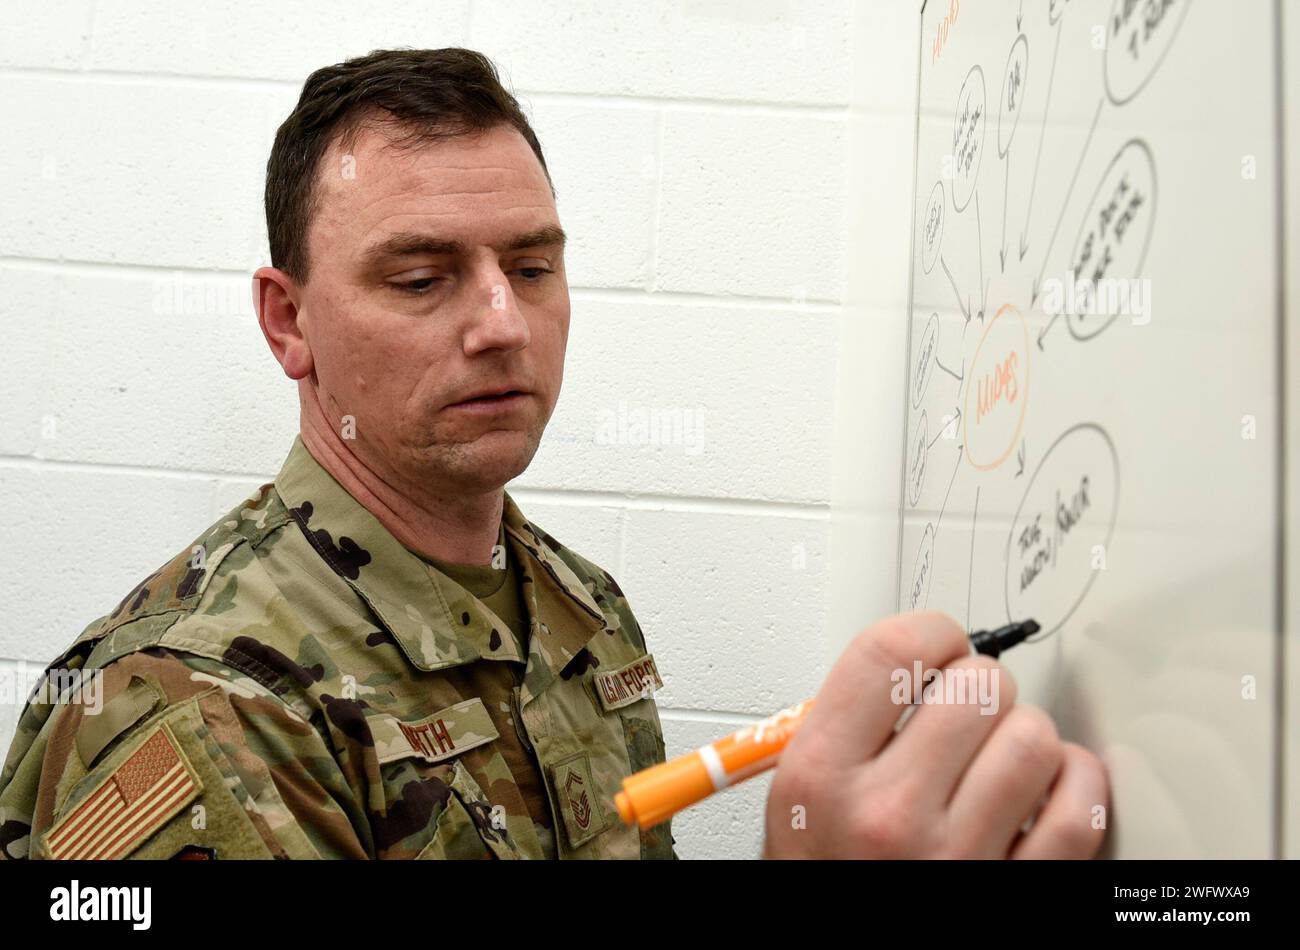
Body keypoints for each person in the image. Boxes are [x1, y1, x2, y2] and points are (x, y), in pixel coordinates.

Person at [0, 48, 1106, 861]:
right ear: (289, 323)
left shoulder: (581, 608)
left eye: (531, 267)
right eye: (422, 278)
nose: (501, 323)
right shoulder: (198, 698)